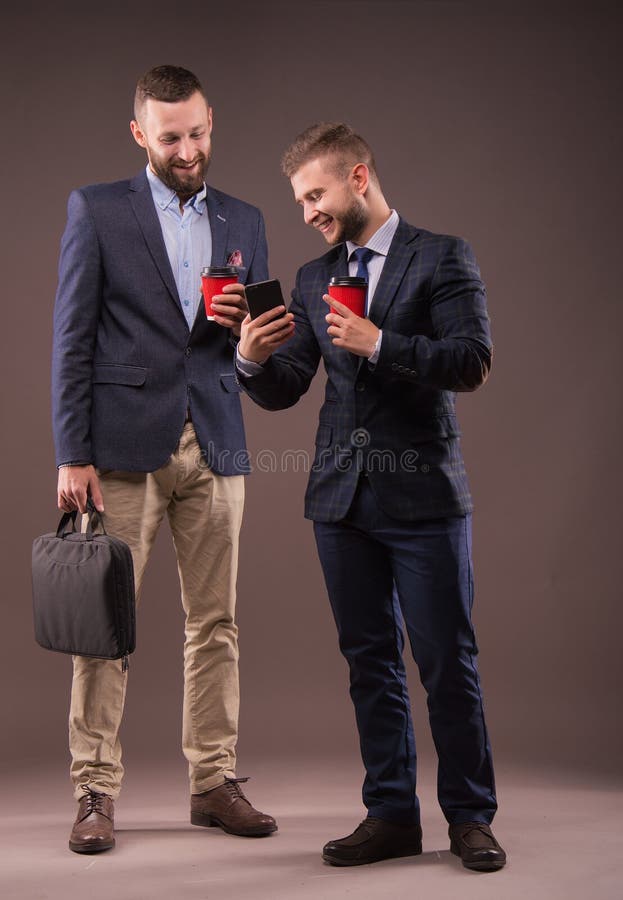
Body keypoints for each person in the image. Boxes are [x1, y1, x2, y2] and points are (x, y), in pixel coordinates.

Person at [236, 123, 506, 871]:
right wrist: (250, 357)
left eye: (315, 195)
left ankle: (469, 818)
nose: (306, 213)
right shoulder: (312, 277)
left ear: (358, 178)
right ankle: (390, 815)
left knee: (446, 662)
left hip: (423, 500)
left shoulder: (442, 256)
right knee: (369, 664)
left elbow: (471, 361)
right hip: (340, 504)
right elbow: (287, 387)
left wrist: (380, 341)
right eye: (297, 201)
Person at [52, 65, 277, 854]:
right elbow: (71, 337)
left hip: (215, 441)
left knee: (216, 624)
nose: (188, 150)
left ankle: (213, 782)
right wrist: (70, 452)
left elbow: (258, 351)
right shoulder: (98, 210)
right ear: (140, 134)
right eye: (171, 136)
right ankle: (94, 791)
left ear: (211, 121)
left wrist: (246, 331)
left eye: (199, 132)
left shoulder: (245, 219)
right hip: (118, 449)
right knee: (104, 628)